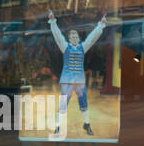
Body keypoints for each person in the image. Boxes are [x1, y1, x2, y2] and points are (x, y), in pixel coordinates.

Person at [46, 10, 108, 138]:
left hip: (79, 79)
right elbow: (57, 35)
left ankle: (87, 124)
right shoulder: (64, 47)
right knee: (64, 102)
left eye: (76, 37)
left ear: (79, 39)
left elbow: (92, 38)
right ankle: (58, 126)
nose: (74, 39)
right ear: (69, 39)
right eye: (72, 37)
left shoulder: (82, 47)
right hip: (67, 79)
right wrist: (53, 21)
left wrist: (100, 26)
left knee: (83, 101)